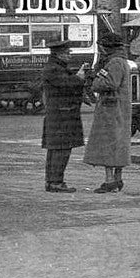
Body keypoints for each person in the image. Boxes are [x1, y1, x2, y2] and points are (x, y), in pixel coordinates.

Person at [83, 30, 133, 192]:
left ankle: (110, 180)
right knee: (118, 143)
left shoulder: (114, 63)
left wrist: (94, 80)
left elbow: (108, 84)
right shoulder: (120, 61)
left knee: (109, 144)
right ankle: (117, 178)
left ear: (107, 47)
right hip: (118, 108)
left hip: (111, 110)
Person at [41, 39, 90, 193]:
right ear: (59, 54)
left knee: (56, 149)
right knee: (61, 149)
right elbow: (67, 85)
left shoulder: (54, 67)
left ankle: (52, 181)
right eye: (68, 53)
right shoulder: (54, 69)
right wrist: (80, 77)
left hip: (60, 114)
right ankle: (56, 182)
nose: (70, 55)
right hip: (62, 115)